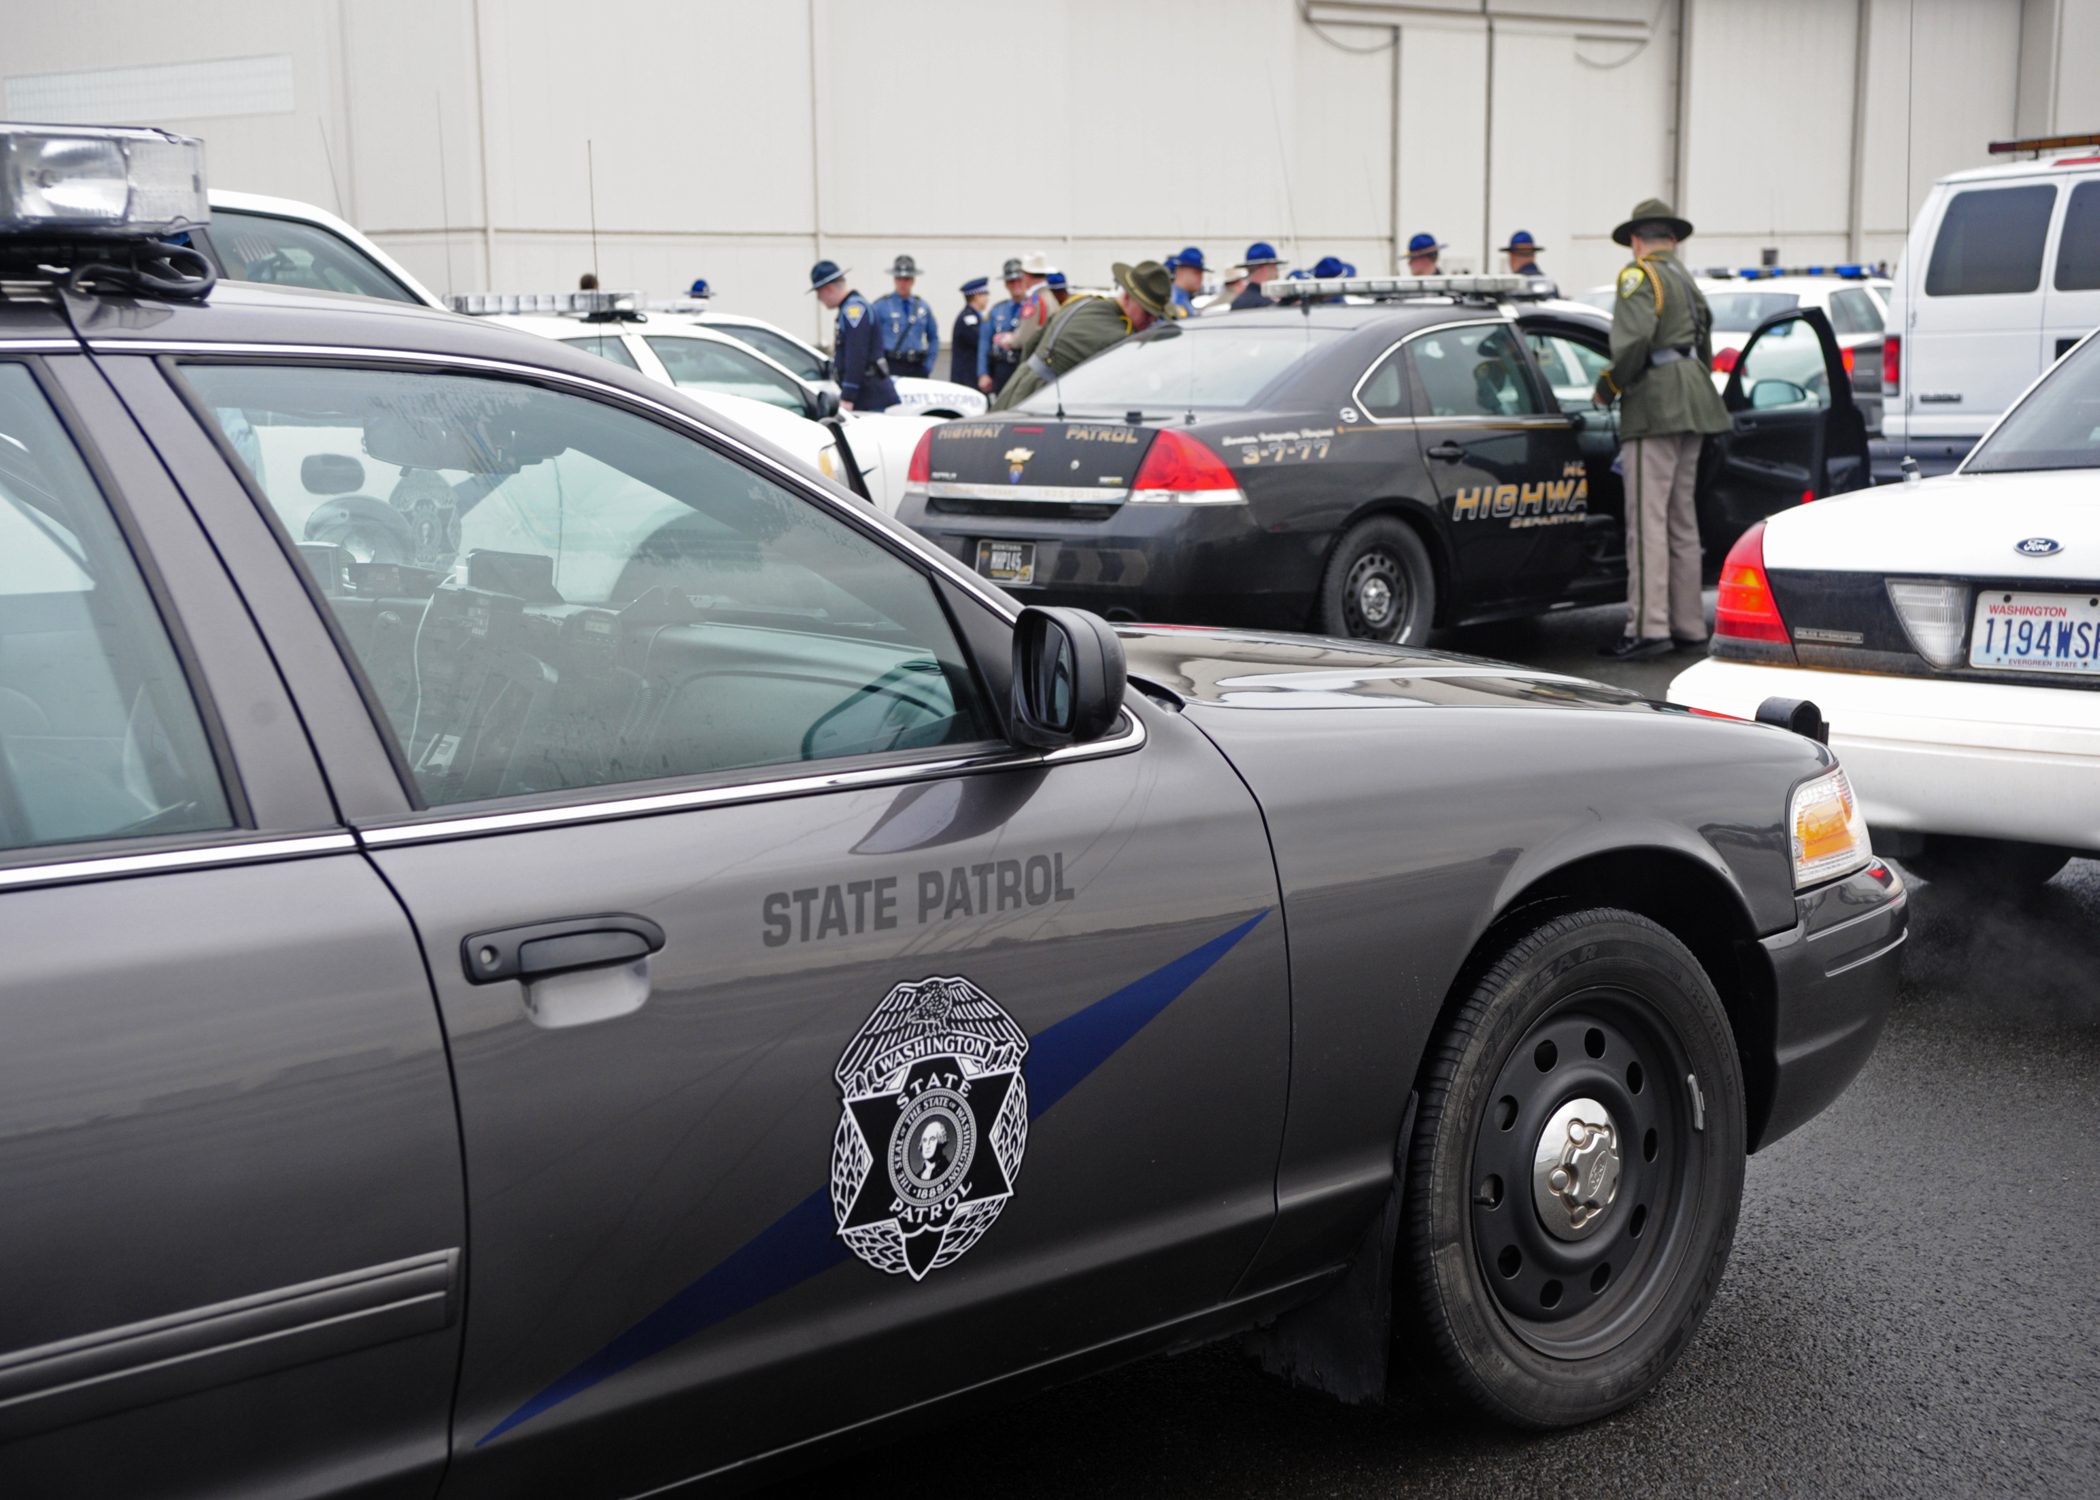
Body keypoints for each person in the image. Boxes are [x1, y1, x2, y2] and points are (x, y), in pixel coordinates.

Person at [1592, 198, 1731, 661]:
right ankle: (1689, 624)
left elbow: (1631, 344)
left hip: (1655, 406)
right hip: (1694, 403)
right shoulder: (1686, 280)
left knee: (1647, 521)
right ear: (1672, 239)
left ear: (1635, 241)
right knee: (1680, 521)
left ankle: (1648, 627)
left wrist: (1607, 388)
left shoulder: (1639, 276)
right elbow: (1705, 345)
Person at [991, 260, 1172, 412]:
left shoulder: (1082, 302)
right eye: (1147, 313)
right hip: (1046, 405)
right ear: (1127, 298)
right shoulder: (1123, 337)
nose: (1151, 320)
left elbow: (1033, 342)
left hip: (1019, 386)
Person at [809, 259, 899, 413]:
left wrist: (848, 396)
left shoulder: (854, 309)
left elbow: (856, 354)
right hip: (865, 394)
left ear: (829, 288)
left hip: (867, 396)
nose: (819, 298)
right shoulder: (850, 307)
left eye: (819, 292)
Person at [872, 255, 939, 379]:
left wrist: (928, 366)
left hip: (916, 365)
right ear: (894, 279)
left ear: (913, 280)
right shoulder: (880, 306)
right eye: (899, 278)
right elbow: (870, 338)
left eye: (907, 279)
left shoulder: (923, 307)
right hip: (891, 364)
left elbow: (933, 338)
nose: (903, 283)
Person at [981, 257, 1029, 395]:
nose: (1015, 284)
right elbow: (984, 343)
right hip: (1002, 369)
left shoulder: (1034, 307)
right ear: (1005, 284)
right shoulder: (997, 310)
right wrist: (983, 373)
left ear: (1025, 280)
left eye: (1018, 280)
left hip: (1024, 367)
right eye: (1010, 281)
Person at [950, 276, 989, 388]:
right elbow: (980, 340)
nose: (987, 299)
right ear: (977, 297)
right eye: (985, 295)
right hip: (967, 378)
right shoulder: (968, 318)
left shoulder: (975, 316)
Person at [1229, 242, 1287, 309]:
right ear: (1265, 268)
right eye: (1274, 268)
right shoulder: (1268, 305)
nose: (1277, 274)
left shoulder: (1237, 302)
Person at [1168, 245, 1205, 315]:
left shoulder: (1183, 298)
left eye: (1201, 273)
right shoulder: (1176, 301)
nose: (1201, 277)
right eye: (1196, 273)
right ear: (1180, 272)